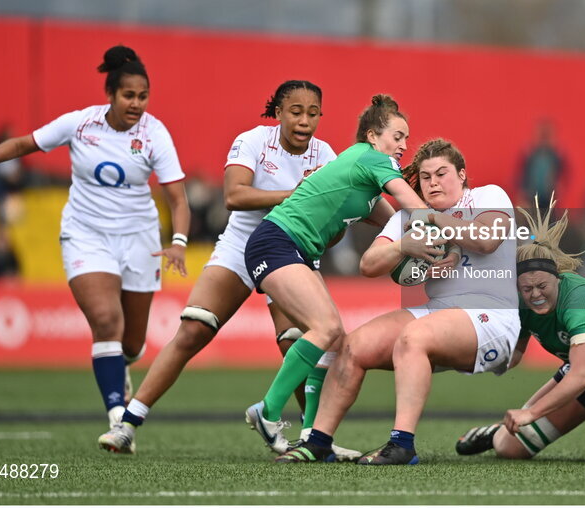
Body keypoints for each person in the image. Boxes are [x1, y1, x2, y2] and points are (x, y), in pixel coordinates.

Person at [96, 81, 354, 459]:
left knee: (298, 341)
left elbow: (333, 225)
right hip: (243, 247)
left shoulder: (327, 156)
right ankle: (128, 425)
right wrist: (298, 195)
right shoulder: (252, 141)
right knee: (192, 330)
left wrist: (332, 226)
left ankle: (313, 439)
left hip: (292, 252)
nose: (304, 121)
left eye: (313, 113)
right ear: (278, 112)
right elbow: (235, 196)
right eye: (295, 112)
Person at [0, 45, 190, 429]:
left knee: (132, 344)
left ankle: (120, 365)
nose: (137, 103)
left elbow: (177, 198)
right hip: (86, 233)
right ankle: (117, 416)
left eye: (143, 96)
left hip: (139, 239)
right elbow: (25, 143)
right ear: (109, 95)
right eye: (129, 95)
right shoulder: (80, 124)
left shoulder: (155, 134)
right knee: (105, 319)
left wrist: (178, 241)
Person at [273, 138, 520, 466]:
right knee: (352, 345)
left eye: (442, 173)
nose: (433, 182)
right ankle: (318, 442)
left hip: (492, 315)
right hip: (439, 314)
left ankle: (402, 444)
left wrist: (432, 221)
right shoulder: (410, 215)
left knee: (413, 336)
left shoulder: (488, 195)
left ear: (462, 175)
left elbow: (486, 240)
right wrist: (403, 246)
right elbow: (369, 264)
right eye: (426, 176)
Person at [243, 94, 429, 457]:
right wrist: (456, 228)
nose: (405, 145)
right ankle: (267, 411)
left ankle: (315, 437)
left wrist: (416, 240)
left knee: (333, 339)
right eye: (398, 136)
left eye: (407, 138)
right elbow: (414, 208)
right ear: (373, 136)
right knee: (326, 329)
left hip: (292, 249)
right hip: (275, 242)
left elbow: (395, 220)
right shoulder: (372, 158)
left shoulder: (362, 169)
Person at [455, 196, 585, 463]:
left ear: (557, 277)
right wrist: (465, 358)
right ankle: (496, 432)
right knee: (508, 447)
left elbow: (582, 375)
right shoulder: (520, 301)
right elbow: (514, 355)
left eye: (542, 286)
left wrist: (531, 413)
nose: (535, 295)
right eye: (527, 289)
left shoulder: (580, 300)